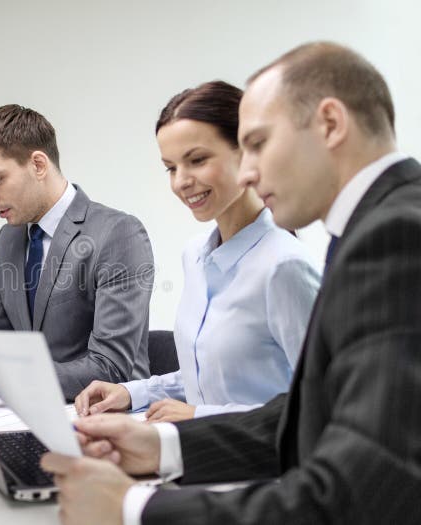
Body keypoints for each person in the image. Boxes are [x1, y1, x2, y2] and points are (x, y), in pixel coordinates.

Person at [41, 42, 421, 525]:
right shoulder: (378, 227)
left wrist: (135, 506)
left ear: (330, 124)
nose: (249, 170)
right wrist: (164, 444)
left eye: (258, 143)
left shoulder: (396, 236)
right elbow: (310, 411)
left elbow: (361, 488)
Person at [73, 81, 321, 423]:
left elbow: (318, 405)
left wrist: (199, 416)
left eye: (197, 160)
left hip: (264, 466)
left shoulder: (285, 266)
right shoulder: (196, 255)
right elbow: (206, 377)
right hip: (199, 455)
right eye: (171, 167)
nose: (181, 181)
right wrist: (133, 392)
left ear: (246, 152)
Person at [0, 104, 154, 400]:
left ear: (38, 165)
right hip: (29, 411)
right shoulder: (9, 239)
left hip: (106, 417)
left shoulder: (118, 234)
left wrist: (2, 378)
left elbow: (110, 368)